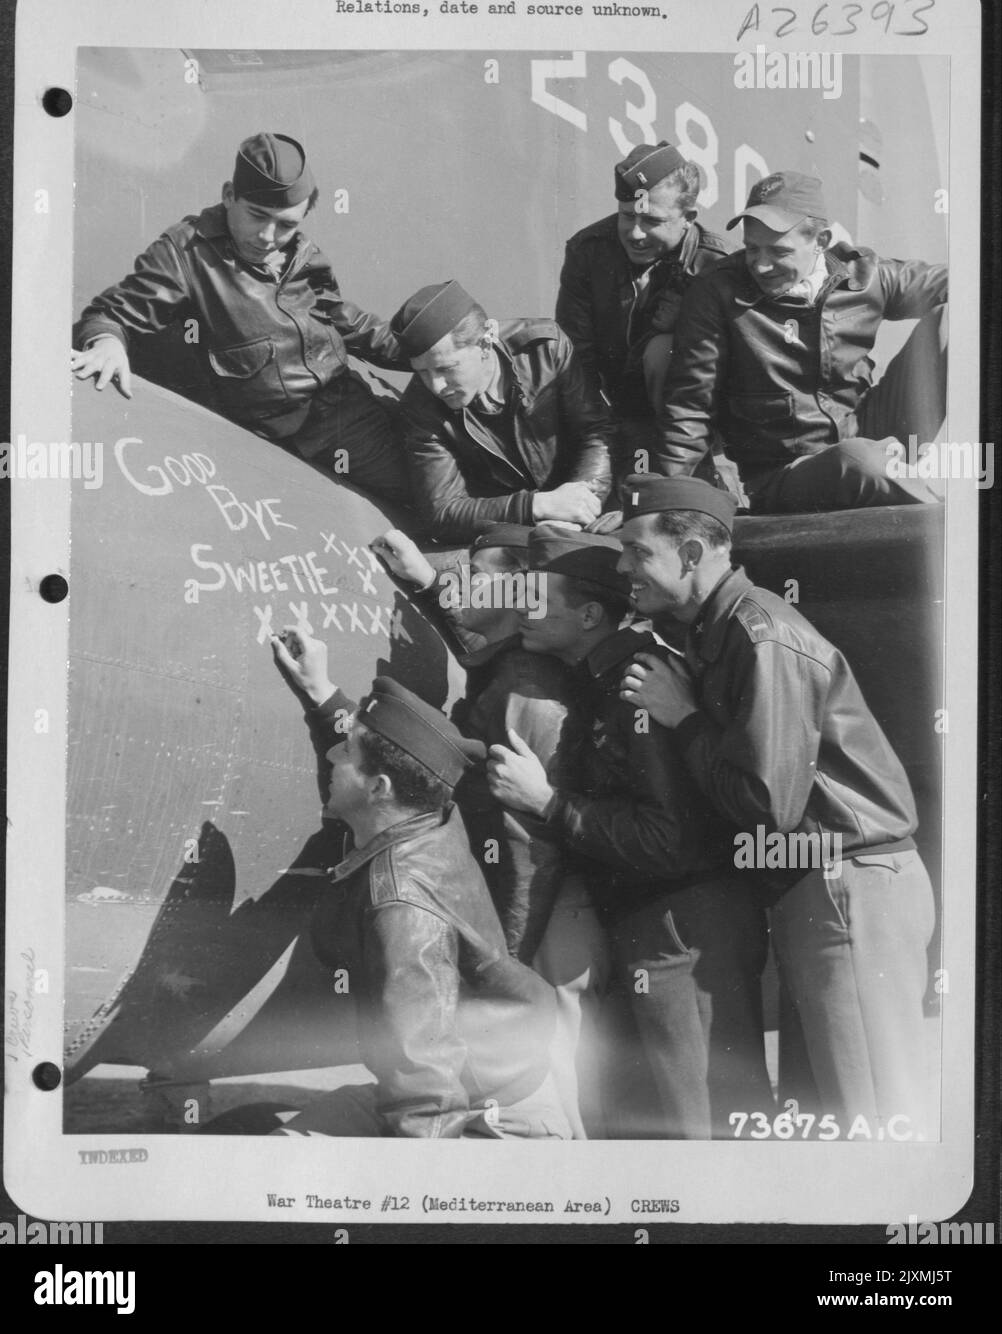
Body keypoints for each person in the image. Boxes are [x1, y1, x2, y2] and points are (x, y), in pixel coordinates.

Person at [617, 474, 936, 1133]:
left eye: (638, 551)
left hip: (846, 886)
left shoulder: (760, 634)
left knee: (872, 1117)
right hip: (821, 888)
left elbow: (768, 806)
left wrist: (683, 718)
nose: (624, 566)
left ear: (693, 554)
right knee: (828, 1120)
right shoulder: (721, 629)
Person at [486, 526, 772, 1139]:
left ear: (590, 614)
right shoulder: (599, 674)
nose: (523, 612)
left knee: (707, 1125)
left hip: (682, 930)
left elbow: (669, 838)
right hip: (656, 925)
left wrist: (548, 803)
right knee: (665, 1126)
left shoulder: (634, 685)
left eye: (539, 599)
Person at [251, 627, 570, 1139]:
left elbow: (427, 1087)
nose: (335, 758)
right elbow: (382, 757)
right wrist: (319, 694)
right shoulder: (429, 813)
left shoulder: (403, 909)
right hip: (484, 1086)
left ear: (378, 788)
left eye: (345, 754)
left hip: (484, 1123)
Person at [370, 525, 613, 1138]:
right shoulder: (526, 655)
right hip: (555, 894)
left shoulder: (528, 690)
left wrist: (507, 953)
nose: (467, 590)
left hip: (544, 901)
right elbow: (478, 636)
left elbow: (527, 842)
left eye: (483, 578)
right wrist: (427, 586)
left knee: (551, 1060)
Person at [72, 132, 414, 507]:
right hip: (294, 431)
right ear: (229, 195)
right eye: (257, 216)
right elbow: (112, 313)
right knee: (428, 491)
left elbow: (340, 318)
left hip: (347, 403)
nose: (269, 237)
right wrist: (106, 341)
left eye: (286, 225)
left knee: (441, 448)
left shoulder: (303, 255)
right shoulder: (186, 253)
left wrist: (422, 347)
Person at [653, 171, 948, 511]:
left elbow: (963, 280)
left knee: (951, 320)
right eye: (752, 249)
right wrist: (666, 500)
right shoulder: (717, 291)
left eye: (778, 252)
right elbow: (690, 406)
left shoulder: (867, 277)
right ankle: (949, 527)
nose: (761, 266)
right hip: (781, 475)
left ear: (820, 242)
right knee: (860, 460)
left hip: (864, 435)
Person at [556, 140, 731, 476]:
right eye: (627, 216)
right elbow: (576, 355)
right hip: (616, 412)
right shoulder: (588, 251)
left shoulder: (717, 267)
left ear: (688, 218)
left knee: (661, 351)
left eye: (651, 221)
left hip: (695, 421)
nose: (635, 234)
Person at [393, 280, 613, 543]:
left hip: (591, 502)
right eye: (422, 372)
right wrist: (536, 506)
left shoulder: (544, 349)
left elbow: (596, 430)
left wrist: (580, 501)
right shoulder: (420, 407)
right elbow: (443, 512)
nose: (436, 386)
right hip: (516, 529)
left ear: (485, 343)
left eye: (446, 368)